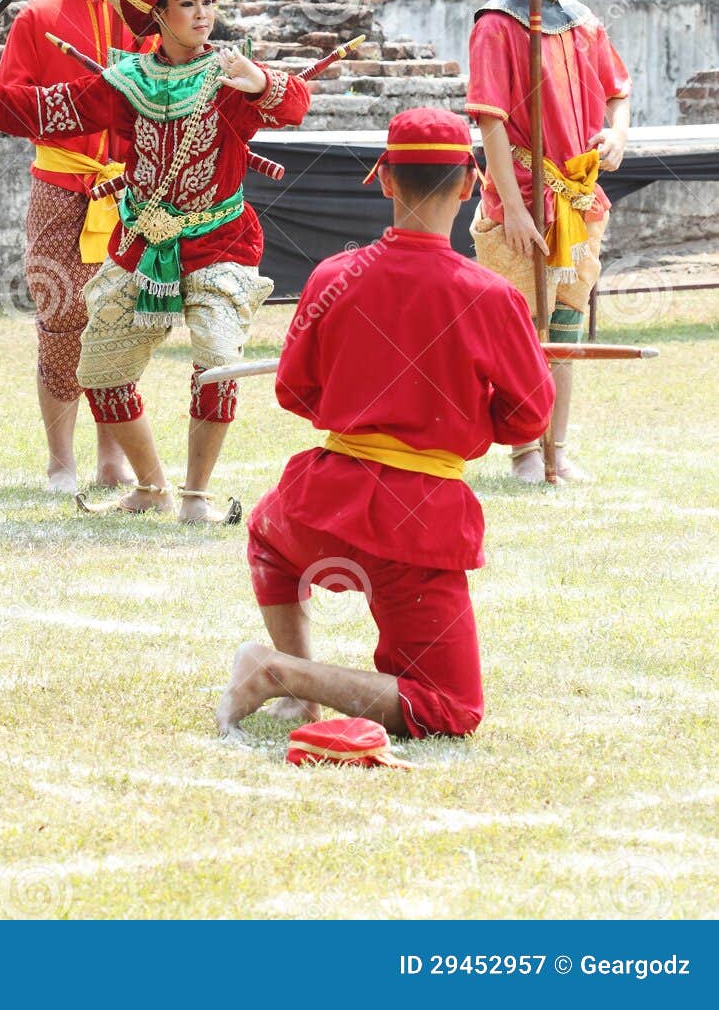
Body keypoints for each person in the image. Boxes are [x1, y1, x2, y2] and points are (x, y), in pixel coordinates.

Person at [0, 0, 311, 524]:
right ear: (158, 14)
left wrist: (262, 79)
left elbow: (294, 105)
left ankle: (196, 497)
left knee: (217, 360)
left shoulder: (232, 73)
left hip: (219, 240)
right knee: (98, 366)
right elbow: (46, 110)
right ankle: (153, 486)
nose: (204, 15)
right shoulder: (126, 82)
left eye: (208, 2)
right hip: (140, 241)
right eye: (188, 4)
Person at [217, 108, 554, 741]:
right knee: (449, 711)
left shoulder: (332, 276)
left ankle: (294, 679)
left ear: (385, 180)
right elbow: (527, 420)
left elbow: (294, 390)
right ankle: (287, 677)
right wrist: (463, 408)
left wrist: (364, 406)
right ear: (469, 184)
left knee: (266, 531)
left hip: (320, 508)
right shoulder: (492, 297)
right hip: (419, 529)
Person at [466, 0, 631, 482]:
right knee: (522, 331)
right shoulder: (498, 22)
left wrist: (617, 135)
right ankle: (524, 450)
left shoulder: (585, 20)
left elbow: (618, 94)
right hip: (524, 195)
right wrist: (512, 205)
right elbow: (489, 124)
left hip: (580, 196)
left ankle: (558, 451)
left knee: (564, 328)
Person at [0, 0, 141, 493]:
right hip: (60, 185)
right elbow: (10, 102)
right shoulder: (38, 18)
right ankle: (61, 459)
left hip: (126, 190)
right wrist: (78, 101)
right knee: (60, 316)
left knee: (117, 320)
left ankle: (113, 457)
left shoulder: (139, 18)